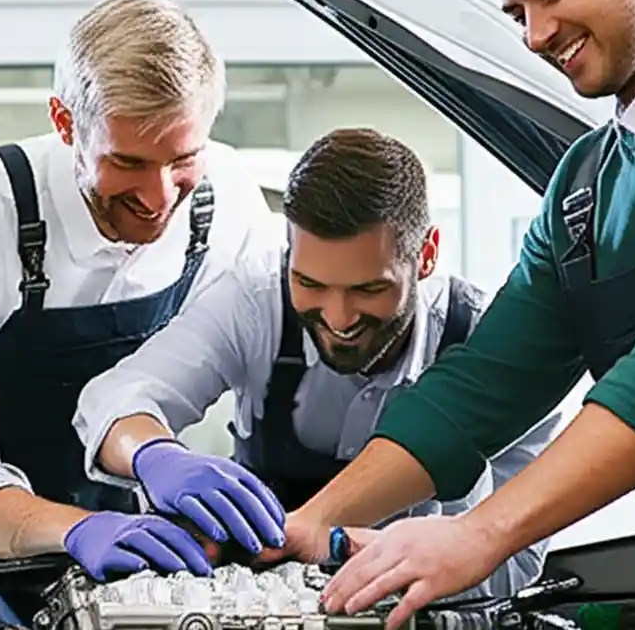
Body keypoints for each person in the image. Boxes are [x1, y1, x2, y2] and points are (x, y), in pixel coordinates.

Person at [250, 0, 635, 627]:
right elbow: (486, 383)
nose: (537, 34)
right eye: (519, 11)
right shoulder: (588, 184)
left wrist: (481, 532)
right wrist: (308, 525)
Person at [0, 0, 280, 629]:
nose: (158, 196)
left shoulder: (226, 199)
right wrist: (82, 529)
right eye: (128, 162)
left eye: (182, 160)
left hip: (138, 562)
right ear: (66, 123)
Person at [74, 127, 559, 600]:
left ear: (426, 255)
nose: (338, 317)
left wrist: (366, 555)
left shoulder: (493, 344)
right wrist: (157, 456)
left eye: (369, 289)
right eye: (309, 283)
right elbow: (115, 398)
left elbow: (516, 560)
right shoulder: (257, 299)